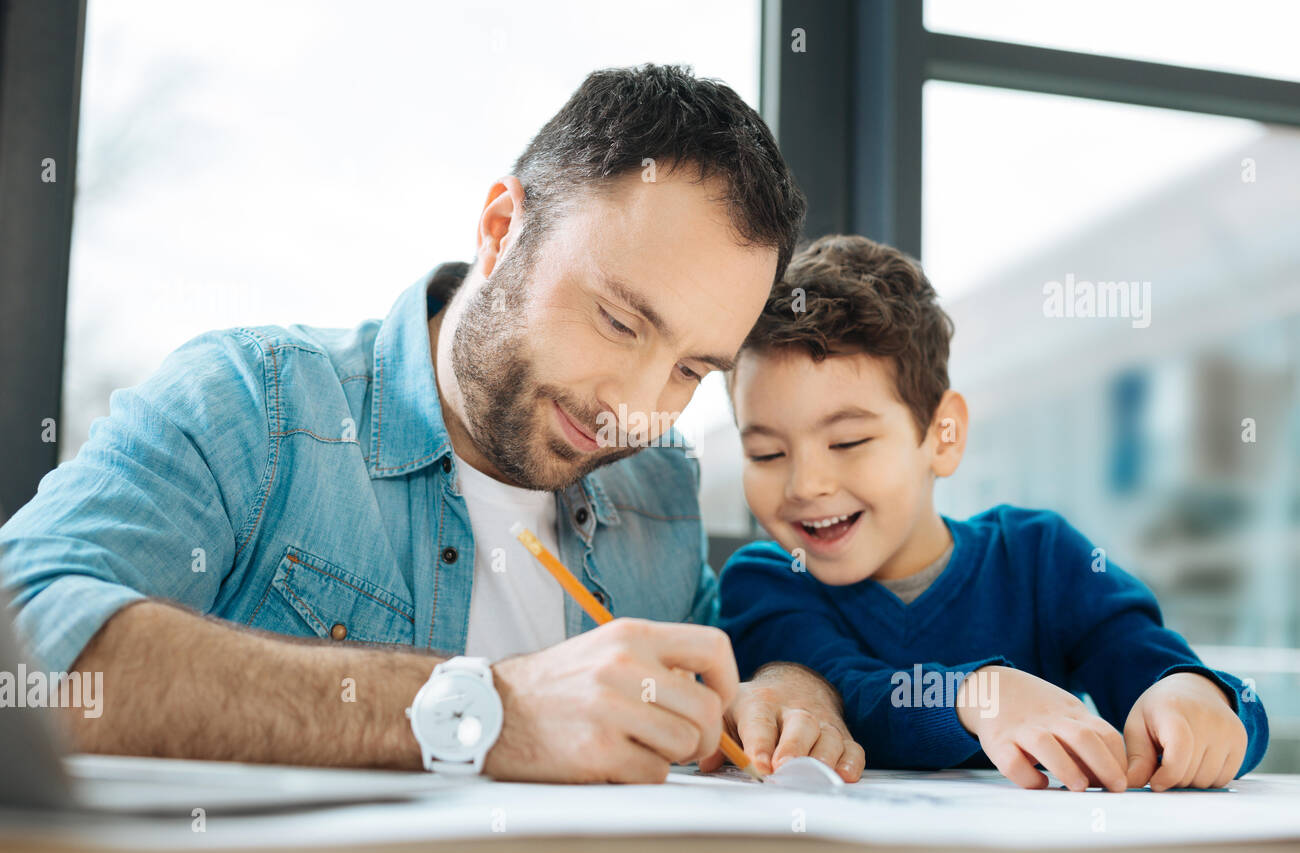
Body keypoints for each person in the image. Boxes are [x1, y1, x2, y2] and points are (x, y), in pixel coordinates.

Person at [0, 66, 867, 784]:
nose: (631, 405)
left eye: (690, 370)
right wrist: (490, 709)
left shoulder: (657, 487)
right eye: (617, 321)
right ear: (500, 231)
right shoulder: (251, 406)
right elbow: (21, 649)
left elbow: (728, 665)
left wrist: (786, 692)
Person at [719, 234, 1267, 791]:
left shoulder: (1040, 557)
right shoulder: (765, 583)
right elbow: (847, 691)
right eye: (766, 453)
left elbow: (1147, 659)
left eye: (849, 441)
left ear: (943, 436)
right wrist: (978, 694)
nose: (806, 484)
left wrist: (1194, 697)